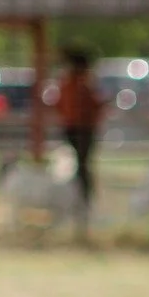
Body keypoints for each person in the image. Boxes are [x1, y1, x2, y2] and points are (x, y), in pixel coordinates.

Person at [54, 49, 105, 209]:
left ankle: (82, 199)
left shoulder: (77, 83)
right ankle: (79, 197)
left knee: (81, 164)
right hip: (76, 127)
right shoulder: (74, 83)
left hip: (80, 128)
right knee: (78, 163)